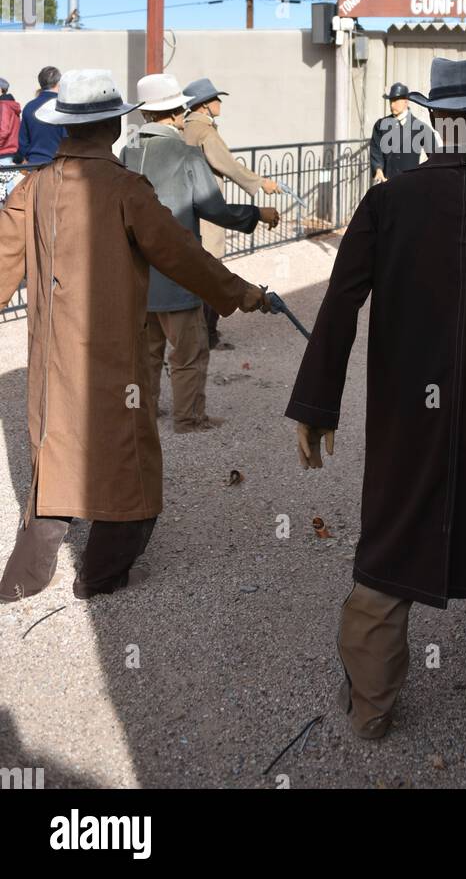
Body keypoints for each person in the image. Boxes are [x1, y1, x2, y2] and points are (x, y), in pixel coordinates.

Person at [285, 53, 466, 740]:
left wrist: (315, 404)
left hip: (409, 411)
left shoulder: (389, 202)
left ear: (437, 123)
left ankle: (372, 706)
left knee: (392, 536)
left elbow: (341, 302)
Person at [0, 69, 270, 604]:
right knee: (129, 454)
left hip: (51, 355)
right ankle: (101, 575)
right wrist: (241, 292)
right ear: (109, 127)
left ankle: (24, 577)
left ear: (66, 128)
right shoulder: (126, 190)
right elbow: (181, 255)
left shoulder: (31, 189)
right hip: (112, 351)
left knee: (54, 447)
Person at [120, 74, 280, 433]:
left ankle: (141, 415)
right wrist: (256, 213)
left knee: (145, 356)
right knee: (188, 353)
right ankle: (188, 418)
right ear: (177, 111)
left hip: (137, 277)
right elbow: (215, 210)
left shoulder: (127, 152)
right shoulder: (186, 153)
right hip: (178, 275)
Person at [182, 77, 280, 349]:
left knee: (196, 271)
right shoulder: (205, 133)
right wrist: (261, 183)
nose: (219, 103)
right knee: (213, 273)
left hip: (188, 208)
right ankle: (208, 336)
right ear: (203, 106)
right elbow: (230, 167)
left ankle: (195, 335)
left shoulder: (185, 129)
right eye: (215, 99)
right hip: (208, 211)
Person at [369, 82, 438, 183]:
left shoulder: (420, 128)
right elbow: (375, 150)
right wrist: (378, 169)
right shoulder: (380, 125)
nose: (392, 104)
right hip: (386, 185)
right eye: (391, 101)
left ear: (406, 101)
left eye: (396, 100)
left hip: (409, 186)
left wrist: (424, 176)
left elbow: (435, 157)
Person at [14, 66, 65, 166]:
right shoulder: (64, 106)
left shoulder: (29, 107)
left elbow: (23, 142)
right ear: (59, 83)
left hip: (34, 165)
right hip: (59, 166)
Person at [0, 78, 21, 164]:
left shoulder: (4, 105)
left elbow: (4, 131)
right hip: (9, 153)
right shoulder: (9, 104)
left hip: (3, 154)